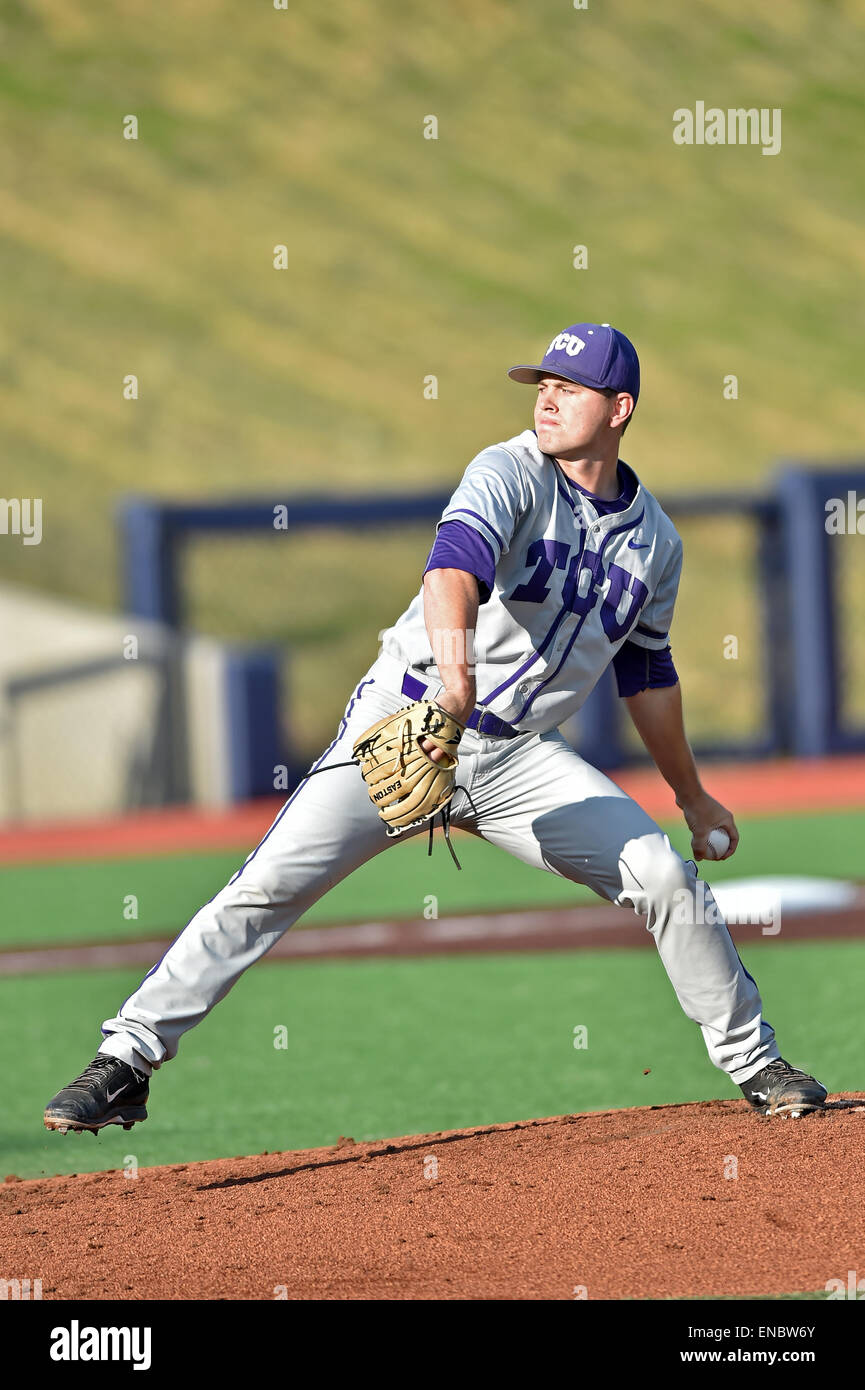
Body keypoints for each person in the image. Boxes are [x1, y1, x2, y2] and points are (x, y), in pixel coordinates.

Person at [44, 321, 827, 1135]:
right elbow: (452, 569)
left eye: (570, 387)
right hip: (410, 715)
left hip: (520, 757)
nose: (548, 397)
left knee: (664, 878)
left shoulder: (655, 543)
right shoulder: (509, 469)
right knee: (268, 885)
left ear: (619, 408)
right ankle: (127, 1059)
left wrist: (692, 797)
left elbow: (646, 676)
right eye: (541, 384)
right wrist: (455, 683)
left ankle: (756, 1063)